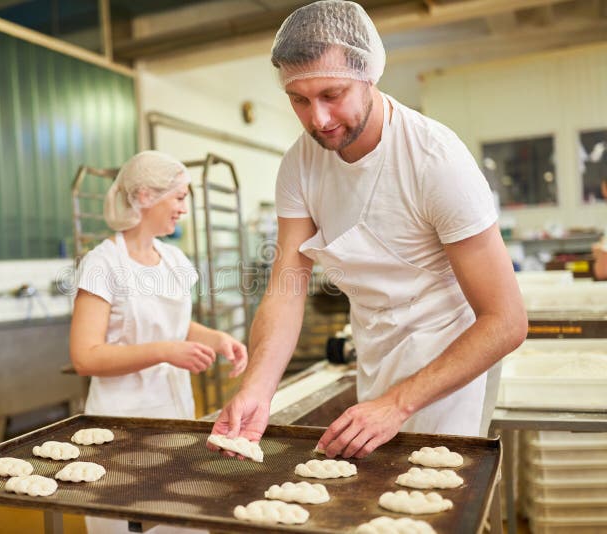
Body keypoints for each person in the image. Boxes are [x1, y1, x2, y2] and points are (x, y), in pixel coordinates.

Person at [209, 0, 527, 460]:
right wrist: (258, 389)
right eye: (299, 100)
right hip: (375, 352)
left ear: (369, 75)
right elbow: (287, 286)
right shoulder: (300, 165)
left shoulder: (434, 160)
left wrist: (397, 404)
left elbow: (506, 321)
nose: (317, 119)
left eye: (331, 94)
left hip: (450, 363)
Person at [70, 150, 248, 533]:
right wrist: (165, 352)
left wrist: (217, 339)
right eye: (179, 197)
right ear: (146, 196)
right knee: (121, 519)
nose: (183, 209)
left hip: (173, 412)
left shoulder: (172, 260)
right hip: (119, 422)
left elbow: (175, 325)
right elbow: (85, 356)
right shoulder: (103, 264)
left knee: (178, 516)